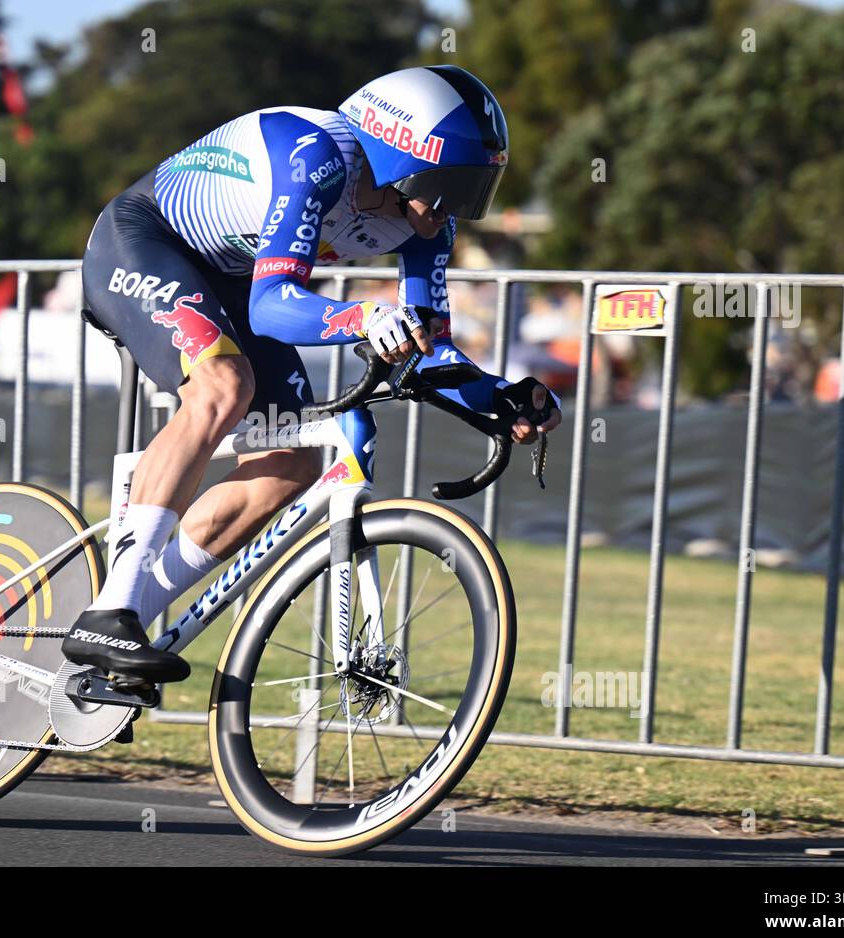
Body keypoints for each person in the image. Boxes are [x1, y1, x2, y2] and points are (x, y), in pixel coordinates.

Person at [65, 65, 561, 684]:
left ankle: (128, 612)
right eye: (446, 185)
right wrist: (364, 315)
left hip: (233, 283)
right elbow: (275, 303)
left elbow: (428, 347)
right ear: (395, 154)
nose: (451, 209)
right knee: (223, 386)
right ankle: (110, 610)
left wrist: (500, 394)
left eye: (472, 190)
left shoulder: (426, 221)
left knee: (291, 466)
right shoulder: (318, 157)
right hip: (145, 241)